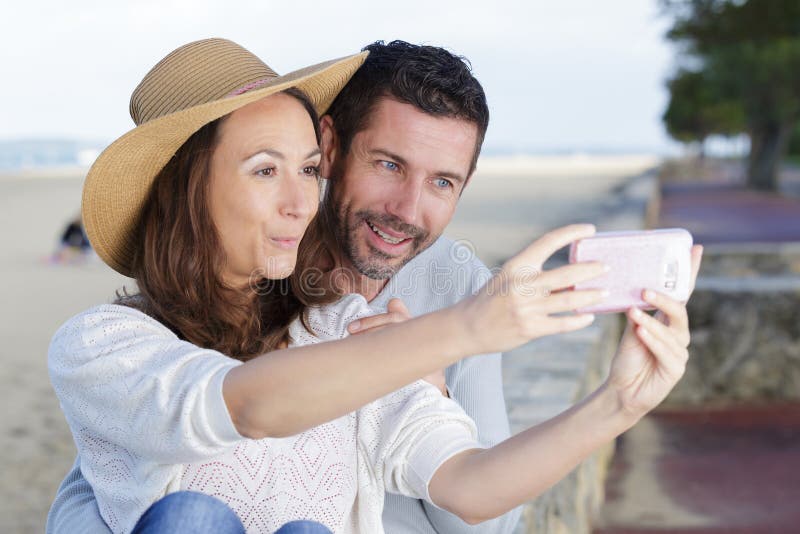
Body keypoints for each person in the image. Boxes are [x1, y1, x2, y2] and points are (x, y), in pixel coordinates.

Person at [47, 38, 704, 534]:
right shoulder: (103, 343)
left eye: (305, 170)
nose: (299, 201)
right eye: (264, 170)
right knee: (192, 515)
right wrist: (461, 329)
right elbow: (239, 409)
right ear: (186, 188)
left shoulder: (345, 325)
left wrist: (618, 404)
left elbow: (472, 489)